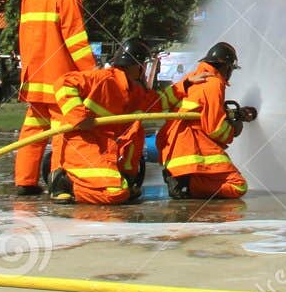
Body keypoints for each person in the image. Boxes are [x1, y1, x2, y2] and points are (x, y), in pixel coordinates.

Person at [12, 0, 95, 195]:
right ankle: (59, 184)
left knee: (33, 132)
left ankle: (24, 182)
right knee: (64, 131)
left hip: (34, 78)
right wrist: (92, 76)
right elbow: (76, 41)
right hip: (61, 81)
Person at [49, 40, 174, 205]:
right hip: (81, 143)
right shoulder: (103, 78)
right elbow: (63, 84)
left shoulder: (133, 90)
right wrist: (79, 116)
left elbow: (157, 102)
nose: (144, 69)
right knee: (115, 194)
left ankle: (119, 178)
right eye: (142, 64)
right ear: (133, 64)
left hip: (103, 146)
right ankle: (66, 183)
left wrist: (187, 84)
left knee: (135, 130)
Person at [157, 42, 252, 200]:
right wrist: (233, 130)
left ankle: (183, 182)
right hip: (189, 150)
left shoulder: (190, 79)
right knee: (238, 185)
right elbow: (214, 128)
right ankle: (187, 185)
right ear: (226, 67)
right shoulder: (214, 83)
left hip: (174, 154)